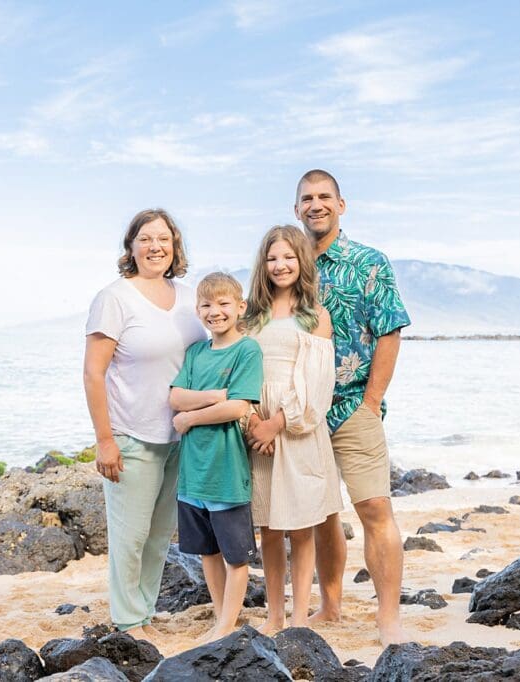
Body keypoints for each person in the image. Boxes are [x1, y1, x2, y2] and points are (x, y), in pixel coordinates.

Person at [294, 169, 412, 646]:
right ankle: (331, 605)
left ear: (342, 205)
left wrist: (371, 402)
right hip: (303, 413)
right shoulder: (287, 265)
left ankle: (388, 617)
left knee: (374, 507)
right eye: (307, 198)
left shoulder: (369, 263)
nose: (315, 204)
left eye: (325, 197)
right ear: (296, 208)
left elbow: (390, 330)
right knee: (321, 515)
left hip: (353, 407)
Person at [83, 208, 206, 642]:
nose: (156, 247)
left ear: (175, 247)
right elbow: (93, 373)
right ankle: (128, 621)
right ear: (130, 247)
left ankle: (145, 614)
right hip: (131, 434)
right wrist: (104, 440)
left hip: (181, 435)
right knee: (130, 537)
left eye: (164, 239)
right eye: (146, 239)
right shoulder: (115, 298)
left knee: (158, 538)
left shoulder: (191, 296)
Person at [241, 226, 343, 634]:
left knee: (302, 525)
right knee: (269, 526)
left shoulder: (315, 317)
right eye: (272, 258)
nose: (280, 265)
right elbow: (236, 368)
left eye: (288, 257)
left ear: (301, 262)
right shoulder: (250, 314)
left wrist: (277, 423)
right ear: (262, 265)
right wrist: (251, 420)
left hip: (295, 426)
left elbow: (316, 382)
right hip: (256, 429)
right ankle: (274, 615)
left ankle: (300, 615)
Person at [169, 272, 263, 643]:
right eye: (206, 305)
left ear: (240, 308)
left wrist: (191, 416)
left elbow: (239, 406)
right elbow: (175, 397)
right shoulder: (196, 353)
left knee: (235, 556)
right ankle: (221, 615)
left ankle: (227, 623)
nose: (215, 311)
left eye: (224, 304)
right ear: (198, 311)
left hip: (225, 472)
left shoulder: (247, 350)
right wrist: (214, 396)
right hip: (193, 475)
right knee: (207, 551)